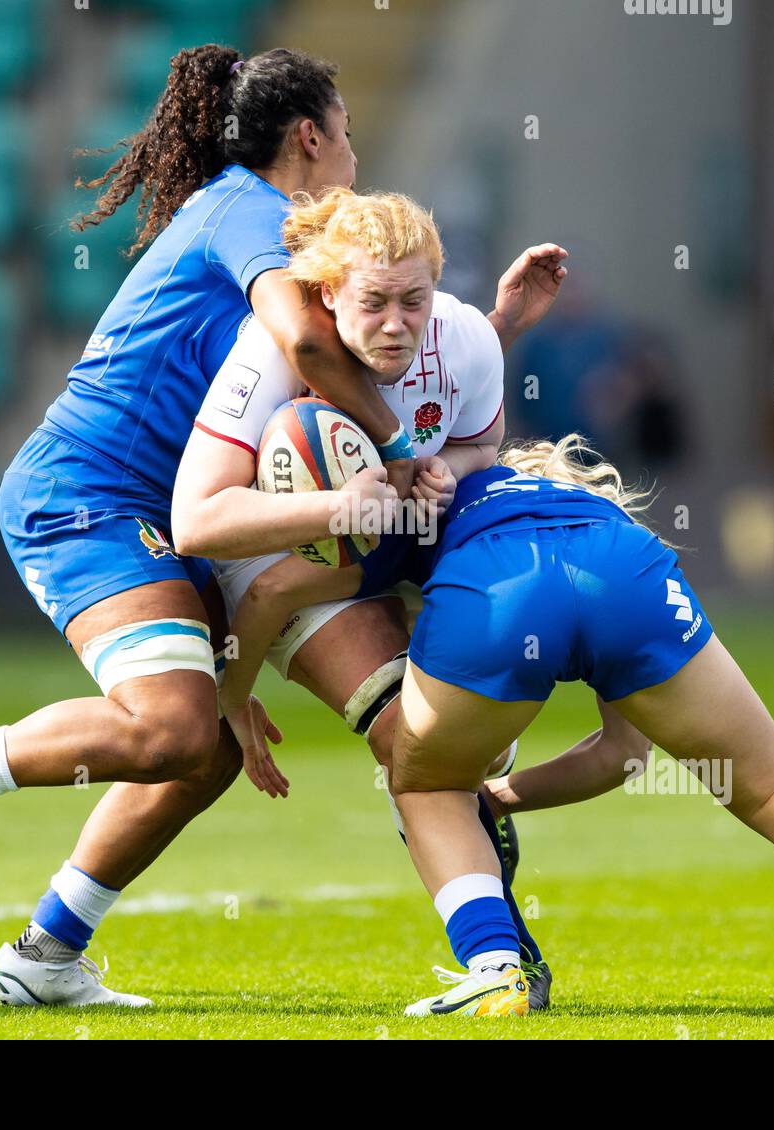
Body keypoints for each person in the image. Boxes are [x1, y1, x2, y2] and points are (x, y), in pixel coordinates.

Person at [0, 45, 415, 1007]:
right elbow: (309, 342)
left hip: (155, 512)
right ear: (311, 137)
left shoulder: (243, 213)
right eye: (349, 136)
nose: (355, 158)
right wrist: (395, 448)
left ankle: (42, 959)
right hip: (84, 492)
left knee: (207, 752)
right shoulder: (250, 210)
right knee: (170, 728)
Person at [235, 433, 774, 1019]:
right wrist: (505, 799)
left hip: (496, 585)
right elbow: (623, 755)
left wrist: (230, 694)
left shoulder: (432, 498)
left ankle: (496, 970)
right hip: (624, 570)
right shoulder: (588, 508)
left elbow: (272, 593)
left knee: (429, 782)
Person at [169, 187, 573, 1007]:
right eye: (373, 303)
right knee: (413, 745)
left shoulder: (463, 336)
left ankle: (499, 950)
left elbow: (478, 444)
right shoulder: (269, 356)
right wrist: (330, 510)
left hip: (393, 536)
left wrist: (444, 473)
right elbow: (197, 524)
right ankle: (503, 962)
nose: (396, 324)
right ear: (325, 296)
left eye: (413, 301)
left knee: (465, 754)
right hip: (278, 550)